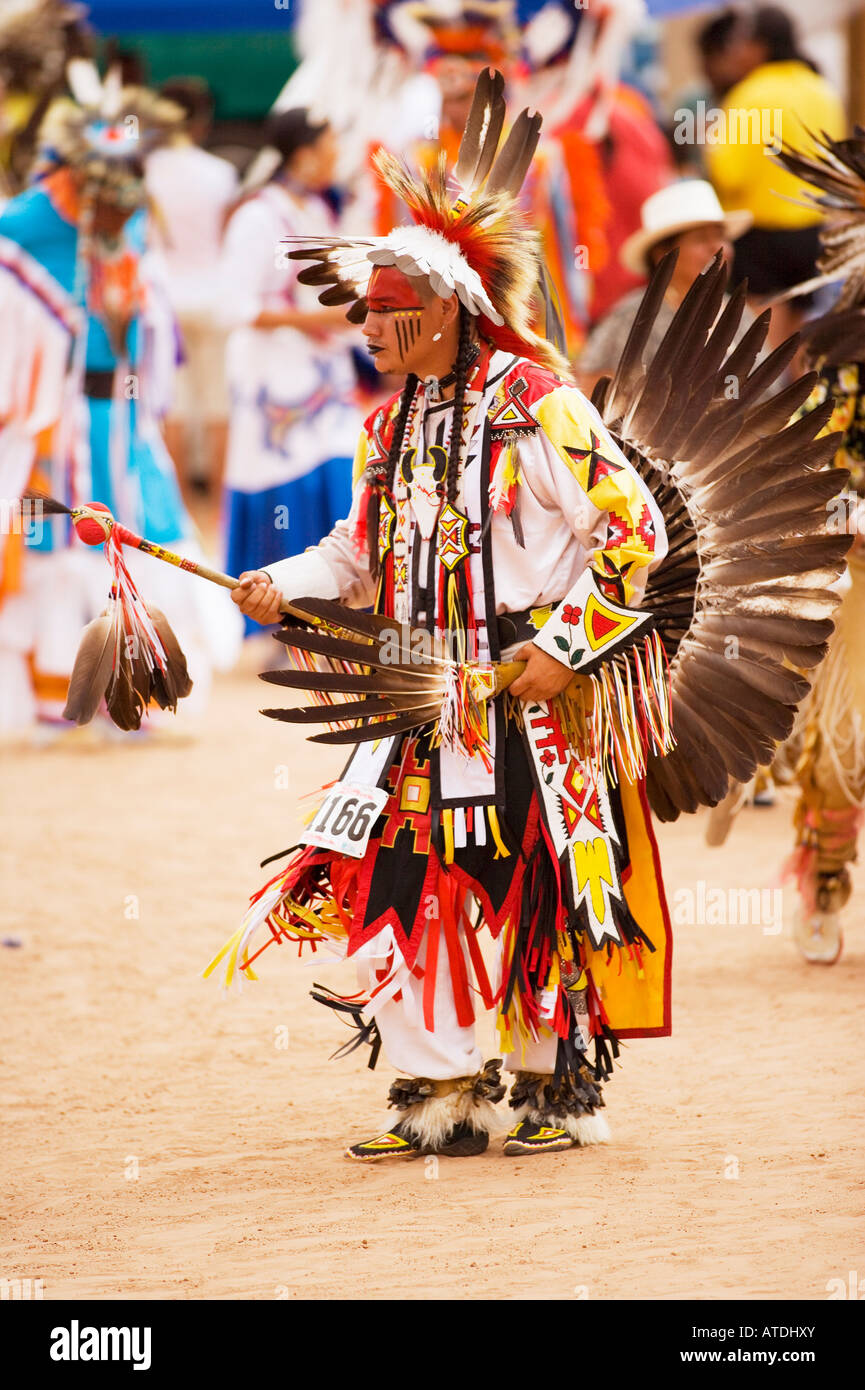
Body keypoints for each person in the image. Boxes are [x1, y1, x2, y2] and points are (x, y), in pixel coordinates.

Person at [205, 70, 845, 1164]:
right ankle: (439, 1087)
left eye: (387, 311)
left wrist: (560, 647)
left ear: (447, 307)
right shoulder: (383, 428)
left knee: (543, 871)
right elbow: (358, 552)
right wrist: (285, 583)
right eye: (364, 311)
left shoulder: (540, 405)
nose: (368, 327)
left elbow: (633, 534)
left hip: (530, 682)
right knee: (417, 873)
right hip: (416, 681)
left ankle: (554, 1089)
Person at [0, 64, 237, 734]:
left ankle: (136, 698)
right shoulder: (21, 228)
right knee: (56, 544)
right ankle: (58, 705)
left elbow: (145, 326)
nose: (121, 218)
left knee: (143, 536)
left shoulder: (129, 224)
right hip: (52, 424)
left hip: (125, 418)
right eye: (109, 206)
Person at [219, 108, 360, 635]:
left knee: (337, 473)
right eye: (329, 145)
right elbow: (232, 306)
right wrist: (314, 319)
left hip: (325, 372)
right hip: (275, 379)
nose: (336, 156)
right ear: (302, 154)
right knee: (285, 481)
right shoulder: (259, 216)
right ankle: (279, 613)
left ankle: (328, 609)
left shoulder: (319, 209)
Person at [700, 5, 844, 336]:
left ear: (761, 46)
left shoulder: (750, 94)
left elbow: (728, 173)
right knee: (798, 337)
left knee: (762, 342)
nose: (736, 52)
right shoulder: (822, 90)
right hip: (813, 231)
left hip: (760, 235)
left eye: (742, 43)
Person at [146, 78, 238, 497]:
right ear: (201, 120)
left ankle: (178, 506)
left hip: (166, 297)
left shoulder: (146, 170)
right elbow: (226, 237)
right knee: (219, 403)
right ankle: (220, 505)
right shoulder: (220, 173)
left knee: (174, 407)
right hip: (215, 295)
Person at [576, 179, 751, 393]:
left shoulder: (741, 314)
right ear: (663, 255)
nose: (718, 248)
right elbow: (591, 387)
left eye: (721, 236)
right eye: (701, 239)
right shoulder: (633, 317)